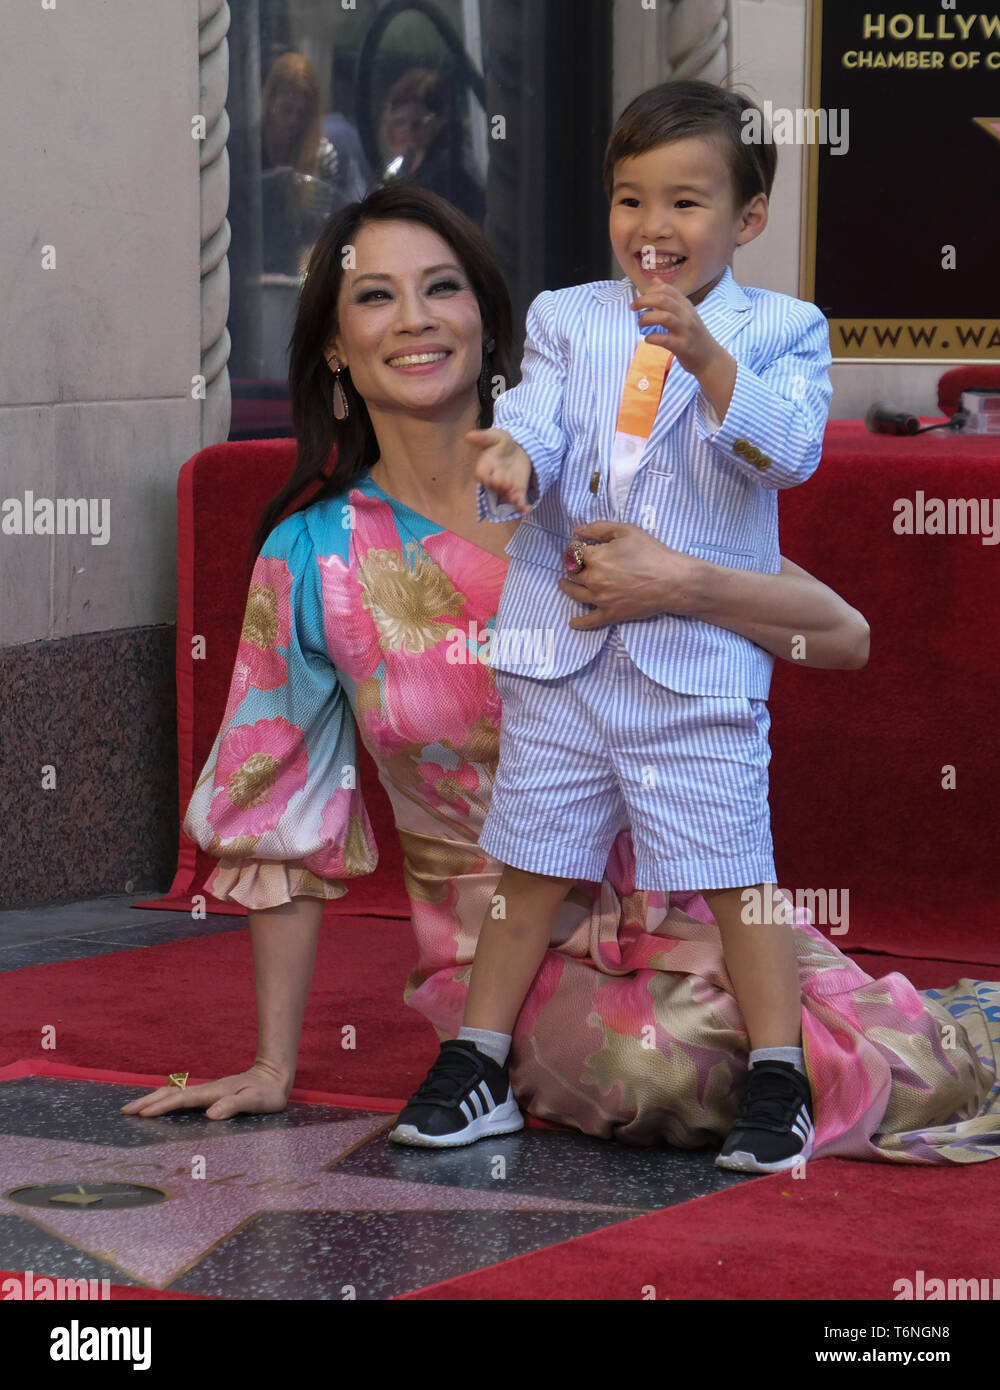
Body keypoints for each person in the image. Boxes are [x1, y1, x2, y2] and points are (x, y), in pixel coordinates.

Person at [121, 188, 1000, 1174]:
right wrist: (271, 1064)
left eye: (441, 287)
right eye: (375, 296)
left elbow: (842, 637)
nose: (414, 318)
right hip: (502, 949)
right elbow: (281, 816)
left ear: (487, 322)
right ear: (334, 344)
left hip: (683, 901)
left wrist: (684, 580)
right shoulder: (312, 557)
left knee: (898, 1061)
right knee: (650, 1069)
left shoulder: (596, 486)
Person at [389, 80, 825, 1171]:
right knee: (530, 858)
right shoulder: (565, 315)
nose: (653, 228)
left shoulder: (783, 329)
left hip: (693, 661)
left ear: (748, 217)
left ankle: (781, 1075)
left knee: (736, 865)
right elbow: (535, 412)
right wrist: (511, 458)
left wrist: (710, 362)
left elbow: (792, 452)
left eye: (685, 202)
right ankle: (478, 1059)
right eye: (631, 201)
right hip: (563, 649)